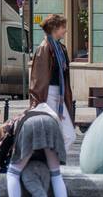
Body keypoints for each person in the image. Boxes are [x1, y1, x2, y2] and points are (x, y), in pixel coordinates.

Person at [3, 102, 70, 197]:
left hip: (29, 126)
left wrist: (0, 161)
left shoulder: (19, 118)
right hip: (52, 125)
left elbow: (4, 143)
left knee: (13, 173)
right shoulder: (50, 115)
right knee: (56, 175)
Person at [29, 14, 76, 149]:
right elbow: (38, 78)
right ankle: (53, 164)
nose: (65, 30)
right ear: (55, 28)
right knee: (51, 133)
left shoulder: (61, 48)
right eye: (63, 27)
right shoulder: (44, 48)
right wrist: (37, 101)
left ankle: (54, 163)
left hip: (60, 95)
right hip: (47, 95)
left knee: (69, 135)